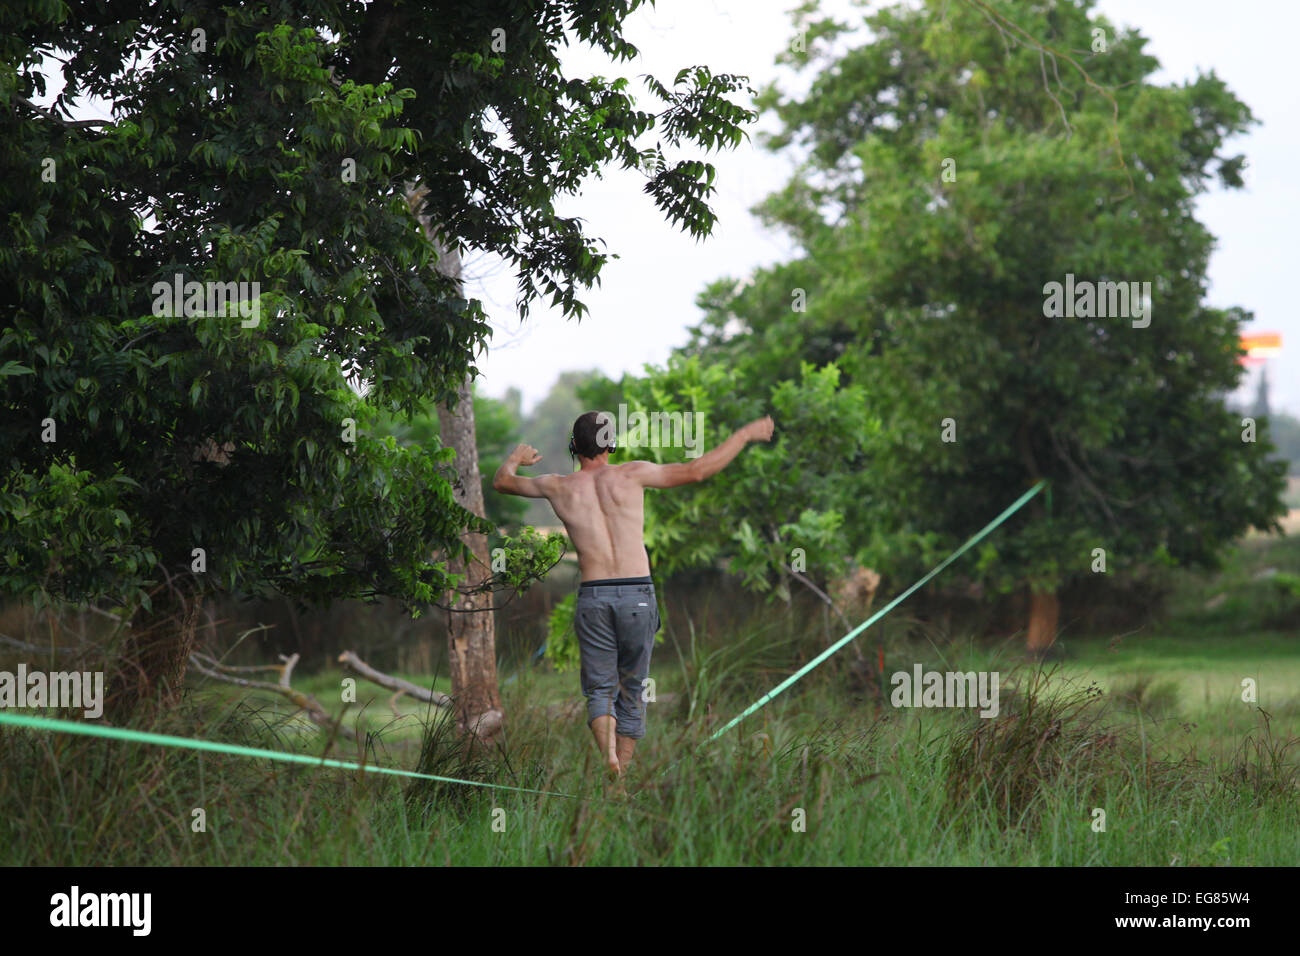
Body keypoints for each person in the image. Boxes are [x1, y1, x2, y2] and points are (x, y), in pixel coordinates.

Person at [492, 410, 775, 777]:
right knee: (633, 689)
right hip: (637, 595)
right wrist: (744, 434)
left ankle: (608, 759)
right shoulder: (633, 473)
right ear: (610, 444)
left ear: (574, 445)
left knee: (600, 689)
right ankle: (621, 774)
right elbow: (698, 471)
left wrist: (517, 457)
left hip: (594, 596)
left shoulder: (556, 486)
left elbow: (502, 482)